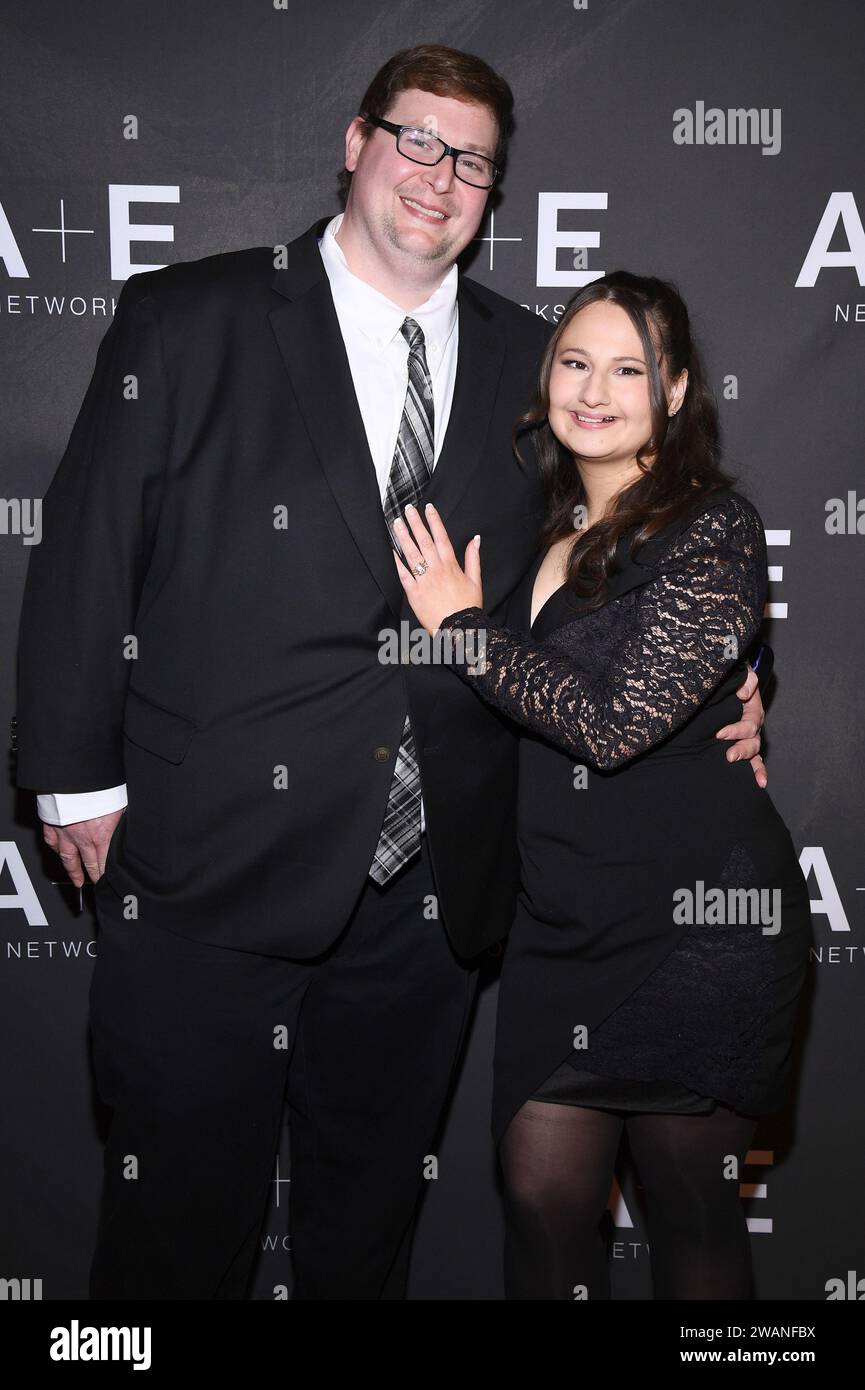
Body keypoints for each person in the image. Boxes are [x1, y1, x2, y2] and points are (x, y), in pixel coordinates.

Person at [14, 44, 768, 1301]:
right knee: (172, 1237)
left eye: (472, 160)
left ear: (492, 191)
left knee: (365, 1235)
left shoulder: (538, 362)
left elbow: (625, 557)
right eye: (417, 140)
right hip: (213, 868)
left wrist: (732, 685)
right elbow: (88, 547)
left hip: (430, 893)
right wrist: (69, 773)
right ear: (355, 144)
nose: (441, 176)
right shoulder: (189, 317)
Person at [393, 271, 811, 1301]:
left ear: (673, 390)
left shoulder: (714, 527)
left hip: (696, 927)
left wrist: (460, 629)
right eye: (575, 362)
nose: (594, 389)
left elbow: (611, 723)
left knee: (693, 1213)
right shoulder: (539, 526)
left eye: (626, 368)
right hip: (560, 926)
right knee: (540, 1205)